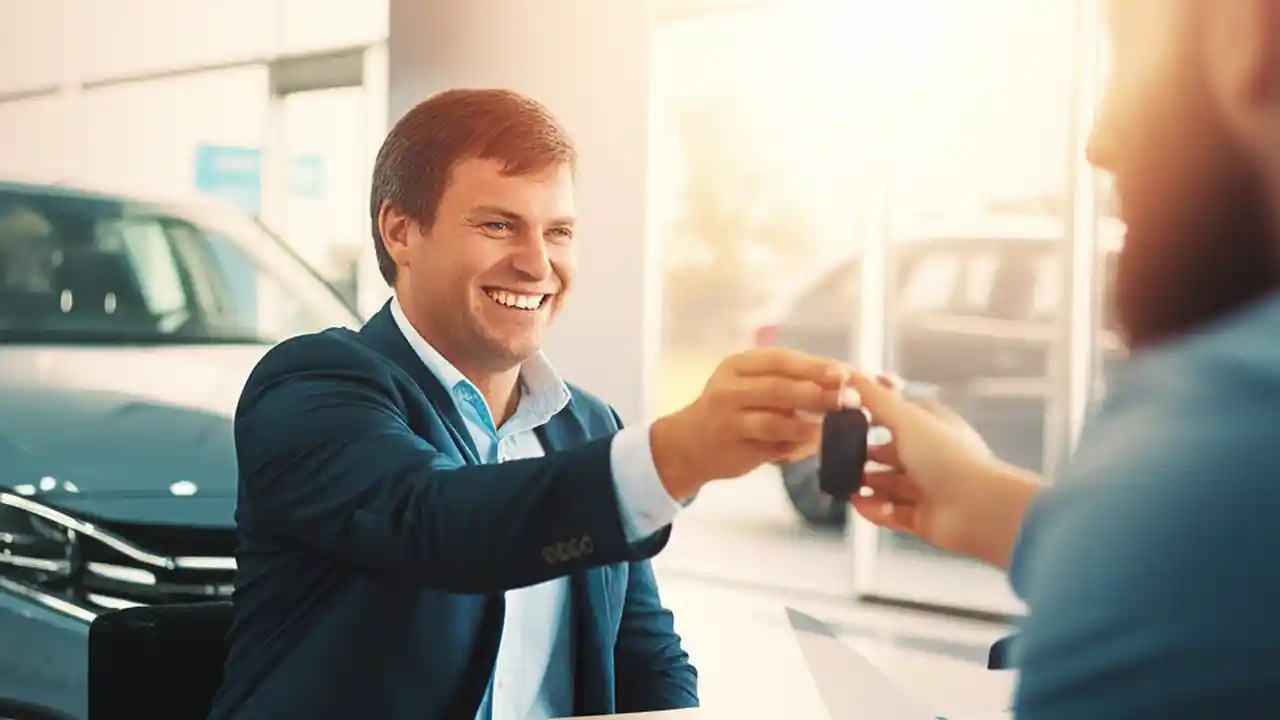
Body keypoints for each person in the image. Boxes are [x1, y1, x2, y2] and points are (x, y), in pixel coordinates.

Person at [207, 88, 853, 720]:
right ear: (401, 231)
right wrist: (680, 452)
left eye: (560, 232)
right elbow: (443, 526)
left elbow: (648, 664)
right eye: (498, 225)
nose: (537, 263)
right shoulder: (311, 385)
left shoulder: (587, 427)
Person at [846, 0, 1280, 717]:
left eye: (1125, 49)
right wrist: (984, 500)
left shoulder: (1214, 446)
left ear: (1243, 27)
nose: (1099, 144)